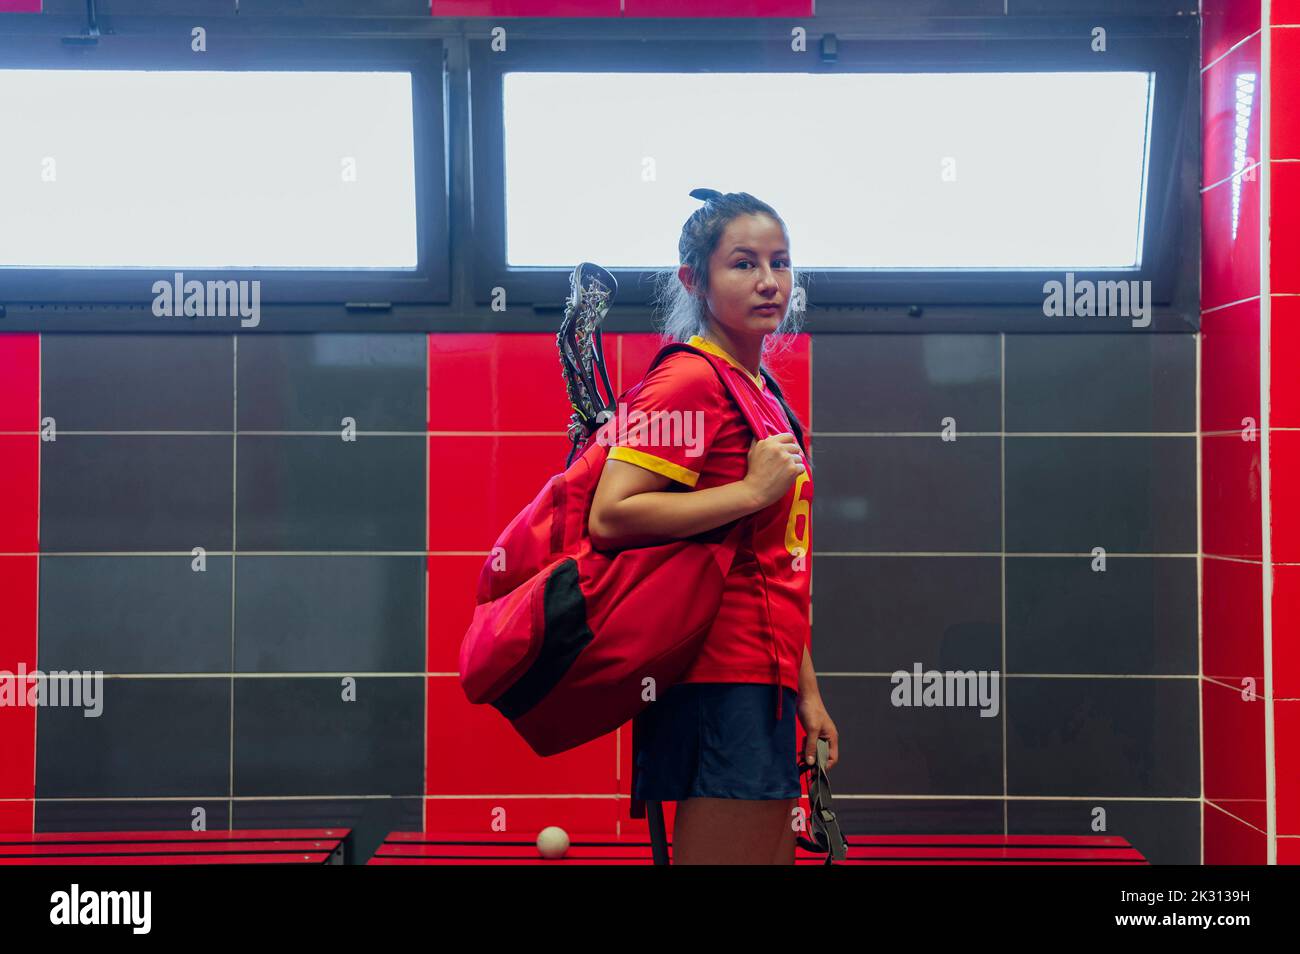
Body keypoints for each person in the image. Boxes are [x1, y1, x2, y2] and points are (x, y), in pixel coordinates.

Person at [587, 188, 839, 865]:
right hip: (717, 676)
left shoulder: (762, 392)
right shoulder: (689, 381)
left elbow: (775, 561)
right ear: (693, 280)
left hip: (766, 676)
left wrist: (806, 693)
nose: (768, 281)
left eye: (780, 263)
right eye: (743, 263)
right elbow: (610, 515)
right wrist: (750, 489)